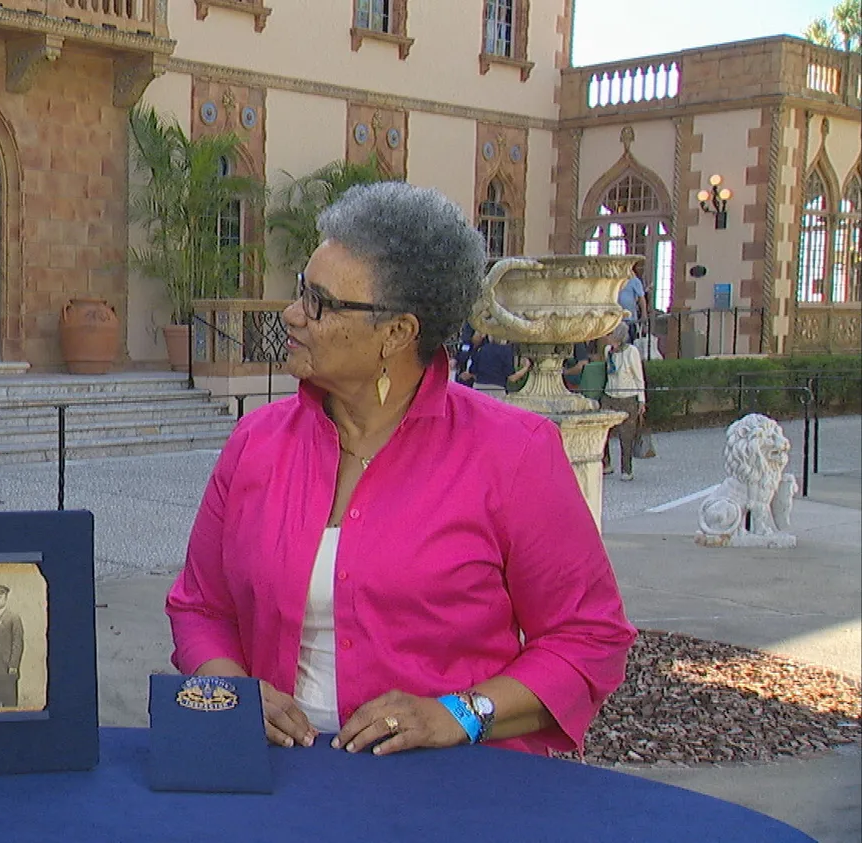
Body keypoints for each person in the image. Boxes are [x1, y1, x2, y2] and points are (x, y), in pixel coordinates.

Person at [166, 182, 636, 758]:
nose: (292, 315)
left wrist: (460, 713)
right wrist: (230, 691)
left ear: (397, 333)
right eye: (299, 292)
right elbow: (199, 607)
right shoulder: (254, 443)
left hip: (450, 793)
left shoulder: (515, 454)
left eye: (320, 301)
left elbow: (588, 640)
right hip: (276, 782)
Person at [600, 322, 647, 481]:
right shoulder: (608, 351)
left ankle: (627, 469)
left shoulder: (631, 352)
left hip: (627, 397)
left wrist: (641, 400)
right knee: (603, 431)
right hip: (609, 395)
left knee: (626, 436)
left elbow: (638, 377)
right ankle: (606, 463)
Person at [619, 260, 650, 340]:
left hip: (630, 319)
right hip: (617, 318)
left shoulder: (634, 281)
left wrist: (644, 315)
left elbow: (641, 298)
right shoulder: (617, 280)